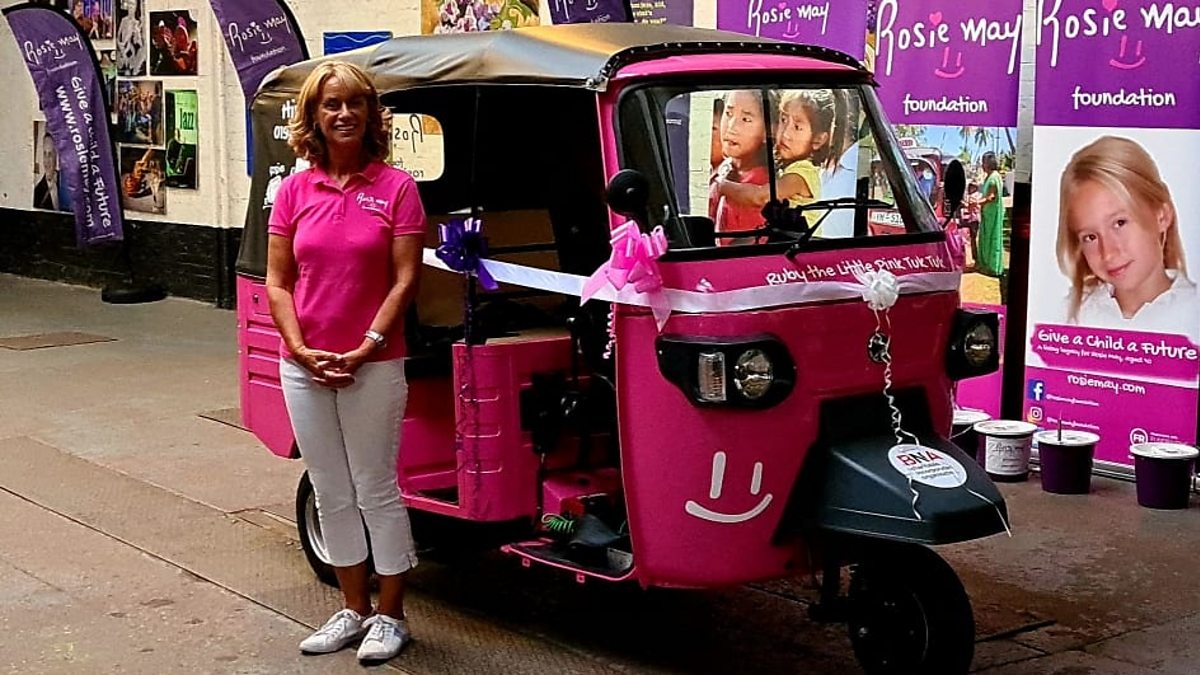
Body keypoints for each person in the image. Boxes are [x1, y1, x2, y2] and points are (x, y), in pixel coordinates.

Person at [266, 60, 425, 663]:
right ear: (314, 115)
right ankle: (353, 609)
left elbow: (405, 280)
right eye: (331, 104)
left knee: (375, 487)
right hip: (304, 365)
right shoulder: (295, 190)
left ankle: (391, 615)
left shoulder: (396, 189)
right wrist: (301, 349)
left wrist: (369, 347)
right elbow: (278, 282)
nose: (343, 114)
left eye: (355, 103)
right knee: (331, 489)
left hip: (374, 364)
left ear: (370, 113)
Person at [1056, 135, 1197, 338]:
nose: (1109, 253)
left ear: (1162, 216)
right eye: (1090, 237)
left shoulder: (1191, 310)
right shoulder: (1071, 313)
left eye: (1120, 223)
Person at [708, 89, 771, 243]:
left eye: (746, 119)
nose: (732, 126)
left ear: (767, 130)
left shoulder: (758, 183)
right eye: (728, 114)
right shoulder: (726, 168)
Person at [976, 151, 1005, 277]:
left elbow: (991, 197)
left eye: (984, 162)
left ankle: (992, 267)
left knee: (991, 239)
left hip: (992, 215)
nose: (983, 165)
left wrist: (978, 203)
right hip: (988, 214)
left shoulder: (993, 178)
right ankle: (986, 264)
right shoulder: (991, 176)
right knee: (986, 238)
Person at [33, 132, 71, 212]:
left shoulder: (66, 180)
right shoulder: (37, 193)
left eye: (50, 154)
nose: (46, 160)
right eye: (44, 154)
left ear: (56, 155)